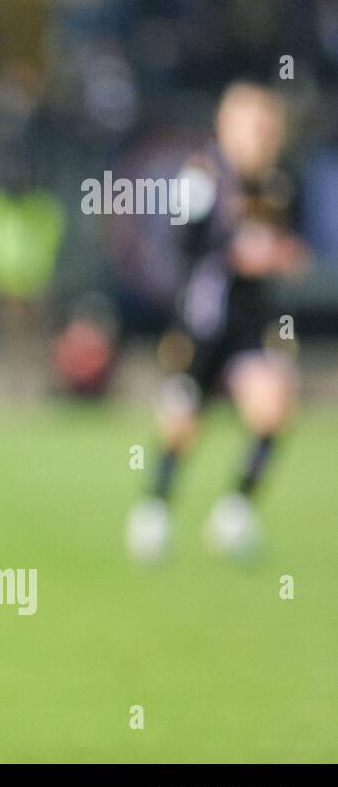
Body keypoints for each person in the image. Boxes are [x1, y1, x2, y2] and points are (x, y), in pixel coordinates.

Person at [126, 82, 307, 562]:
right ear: (230, 126)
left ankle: (235, 514)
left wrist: (280, 255)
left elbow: (284, 242)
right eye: (256, 127)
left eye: (271, 129)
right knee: (182, 425)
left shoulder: (277, 183)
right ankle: (154, 510)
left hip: (250, 325)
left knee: (273, 407)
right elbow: (179, 248)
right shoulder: (203, 176)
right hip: (202, 324)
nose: (265, 138)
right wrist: (231, 255)